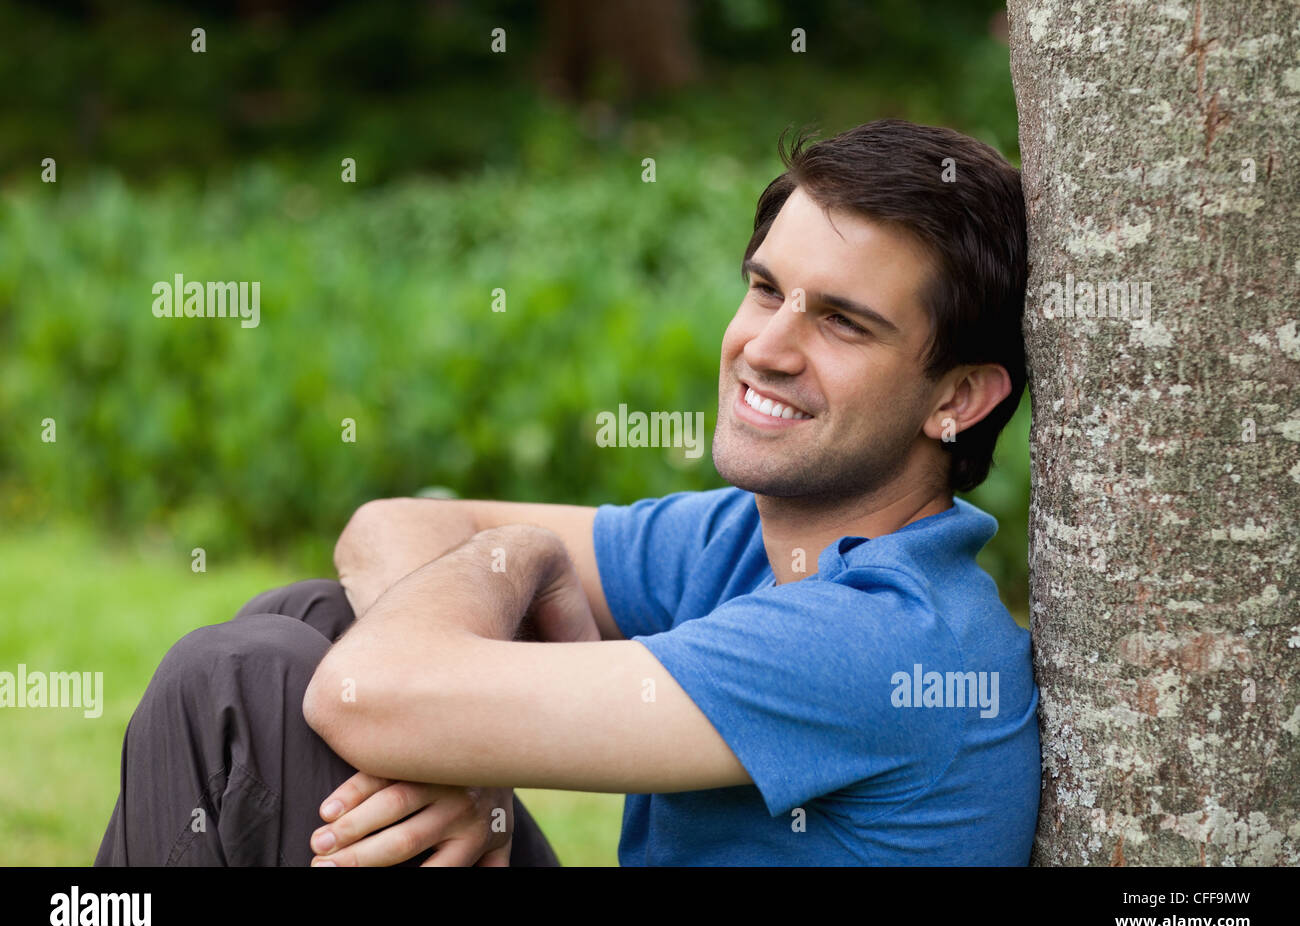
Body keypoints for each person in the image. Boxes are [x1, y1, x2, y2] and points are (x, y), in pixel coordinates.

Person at [96, 118, 1039, 867]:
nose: (767, 346)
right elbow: (391, 526)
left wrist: (472, 705)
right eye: (764, 289)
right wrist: (469, 772)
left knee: (243, 677)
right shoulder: (744, 542)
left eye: (842, 322)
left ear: (955, 398)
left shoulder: (883, 640)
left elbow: (364, 693)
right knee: (302, 615)